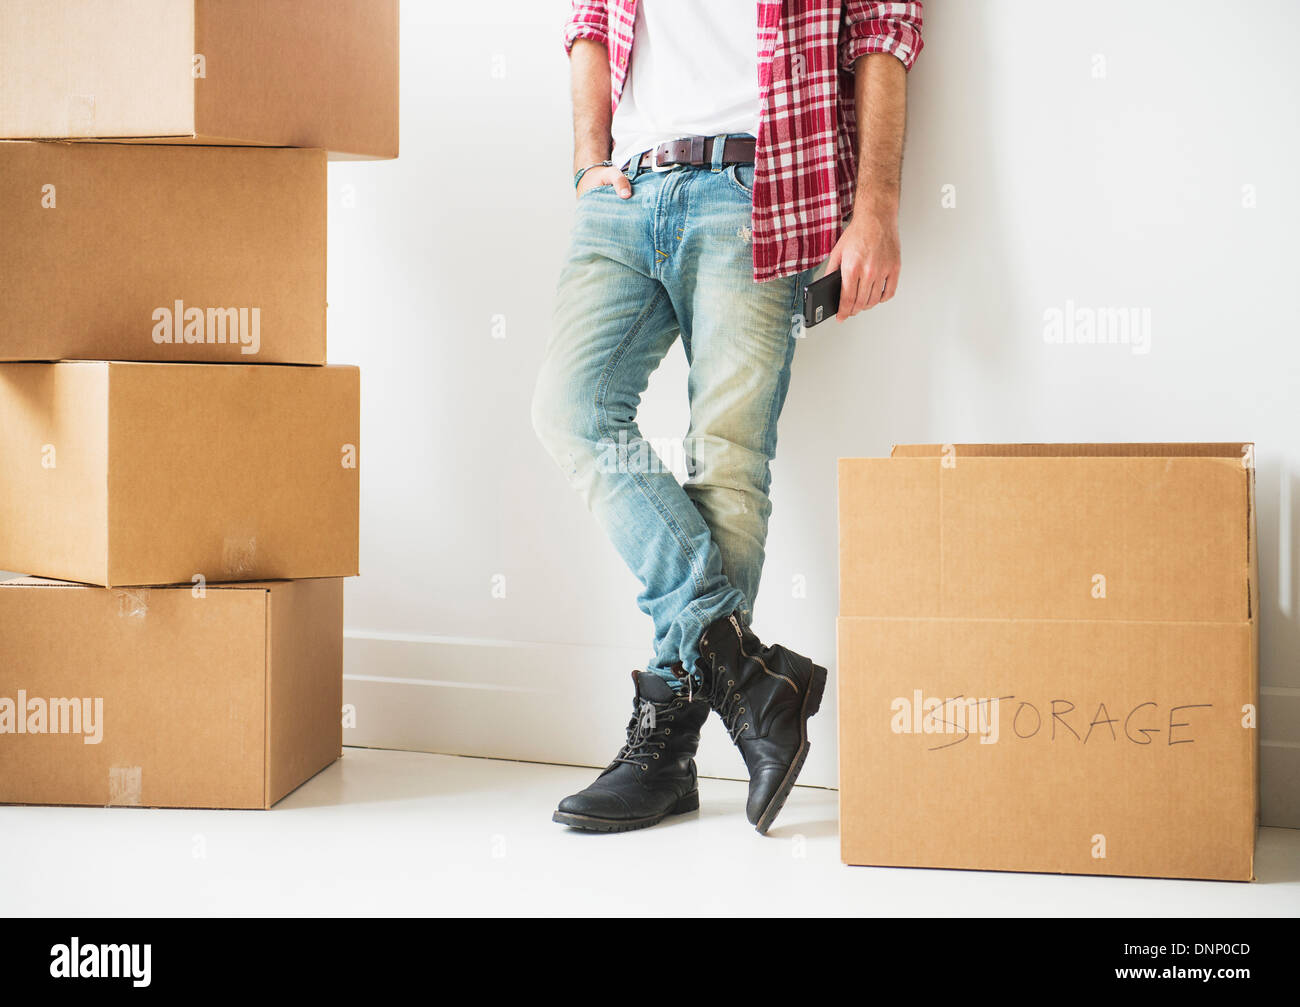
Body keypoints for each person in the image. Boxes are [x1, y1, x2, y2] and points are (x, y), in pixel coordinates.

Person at [532, 0, 923, 834]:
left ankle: (666, 748)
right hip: (627, 186)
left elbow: (885, 30)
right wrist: (585, 160)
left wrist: (878, 210)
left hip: (758, 186)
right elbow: (592, 21)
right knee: (570, 411)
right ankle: (747, 675)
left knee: (728, 460)